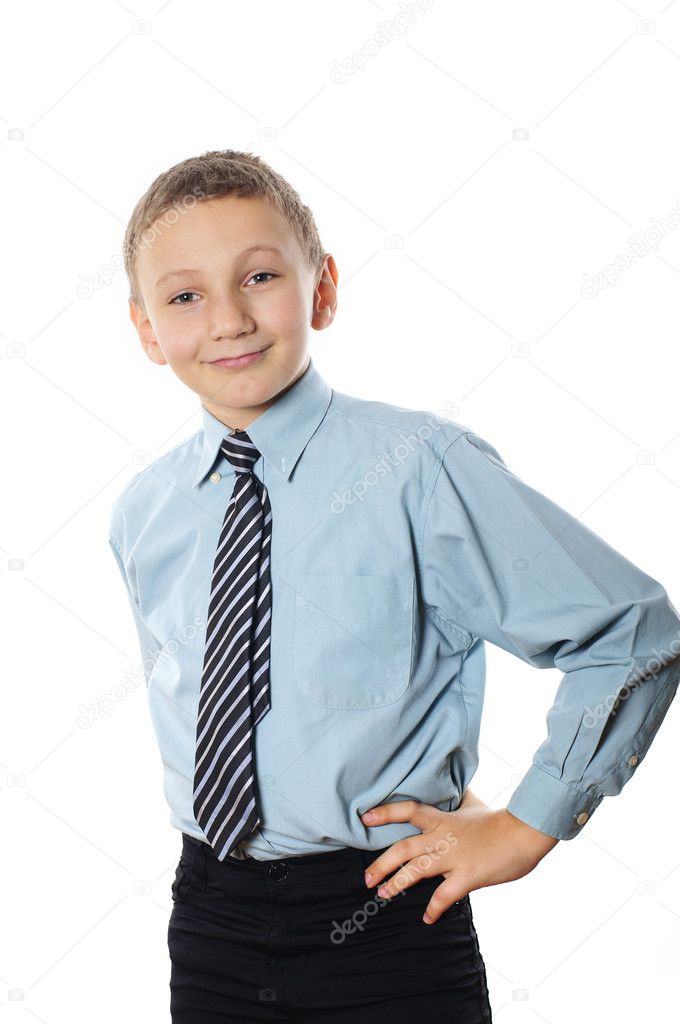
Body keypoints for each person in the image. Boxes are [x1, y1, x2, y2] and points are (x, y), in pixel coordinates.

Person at [109, 148, 680, 1023]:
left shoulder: (418, 468)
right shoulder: (146, 511)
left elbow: (632, 634)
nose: (228, 320)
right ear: (147, 330)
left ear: (322, 289)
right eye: (185, 296)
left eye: (259, 277)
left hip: (384, 919)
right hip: (211, 918)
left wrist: (529, 823)